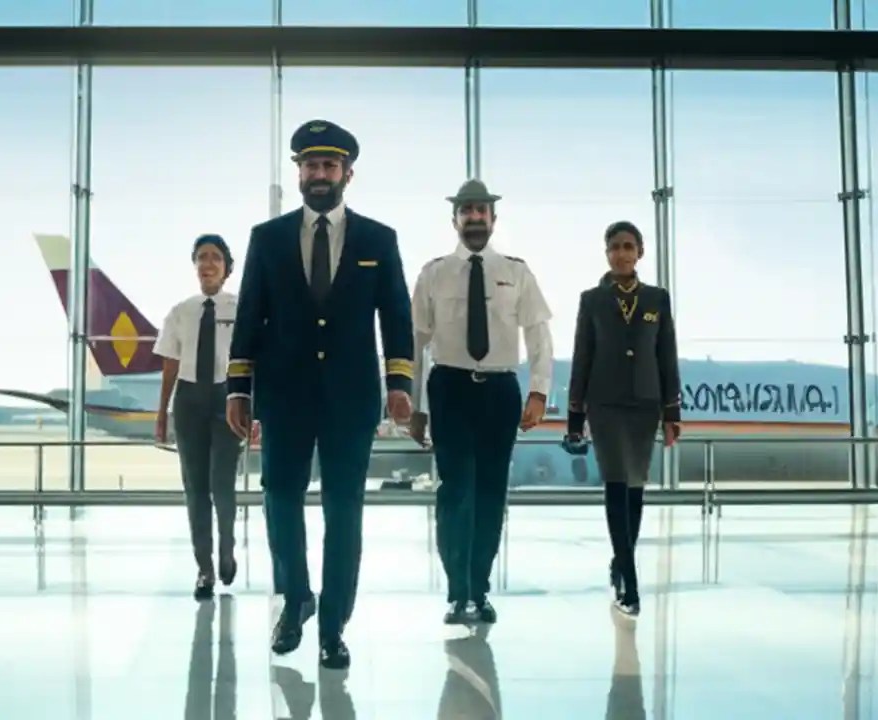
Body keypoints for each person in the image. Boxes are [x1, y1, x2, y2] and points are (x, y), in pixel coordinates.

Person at [225, 119, 415, 670]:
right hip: (283, 395)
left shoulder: (380, 240)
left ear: (347, 174)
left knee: (344, 510)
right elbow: (250, 321)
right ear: (299, 174)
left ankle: (333, 625)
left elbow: (396, 318)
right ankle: (296, 599)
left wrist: (399, 384)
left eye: (329, 166)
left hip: (351, 398)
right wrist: (239, 389)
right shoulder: (268, 237)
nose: (319, 175)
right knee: (278, 500)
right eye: (310, 165)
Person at [409, 179, 554, 625]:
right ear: (454, 218)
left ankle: (480, 588)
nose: (474, 218)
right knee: (456, 491)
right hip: (449, 389)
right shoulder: (433, 273)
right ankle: (456, 591)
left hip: (499, 392)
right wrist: (415, 405)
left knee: (490, 493)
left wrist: (538, 391)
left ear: (493, 219)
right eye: (467, 211)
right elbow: (416, 342)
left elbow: (539, 335)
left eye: (481, 211)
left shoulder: (517, 271)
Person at [563, 220, 681, 618]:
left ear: (640, 252)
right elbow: (582, 357)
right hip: (605, 404)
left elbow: (667, 355)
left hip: (645, 404)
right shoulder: (592, 300)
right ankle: (629, 581)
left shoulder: (657, 299)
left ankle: (619, 560)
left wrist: (672, 412)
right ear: (607, 252)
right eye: (615, 247)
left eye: (629, 246)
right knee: (616, 481)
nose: (622, 253)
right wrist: (575, 417)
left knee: (635, 488)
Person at [153, 234, 243, 601]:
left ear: (226, 267)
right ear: (195, 266)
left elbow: (253, 362)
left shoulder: (241, 308)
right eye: (201, 257)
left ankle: (226, 549)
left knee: (222, 485)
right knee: (195, 488)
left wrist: (256, 410)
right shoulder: (181, 311)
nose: (207, 264)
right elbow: (170, 366)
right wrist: (162, 414)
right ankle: (204, 568)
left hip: (227, 398)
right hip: (188, 399)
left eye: (215, 258)